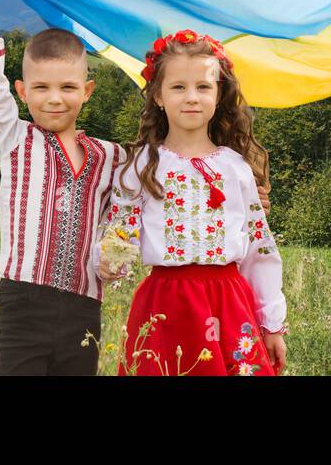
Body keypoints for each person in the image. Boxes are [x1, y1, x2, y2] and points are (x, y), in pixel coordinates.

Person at [0, 0, 125, 375]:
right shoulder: (14, 138)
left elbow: (161, 176)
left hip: (85, 305)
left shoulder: (111, 157)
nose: (54, 98)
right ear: (22, 91)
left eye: (67, 87)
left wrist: (245, 187)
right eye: (40, 87)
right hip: (23, 301)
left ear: (88, 90)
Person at [104, 28, 287, 375]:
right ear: (158, 95)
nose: (192, 97)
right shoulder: (141, 165)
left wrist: (272, 324)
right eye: (178, 87)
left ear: (219, 95)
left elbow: (259, 249)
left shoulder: (236, 168)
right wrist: (112, 260)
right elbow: (121, 235)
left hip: (229, 303)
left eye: (203, 87)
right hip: (164, 304)